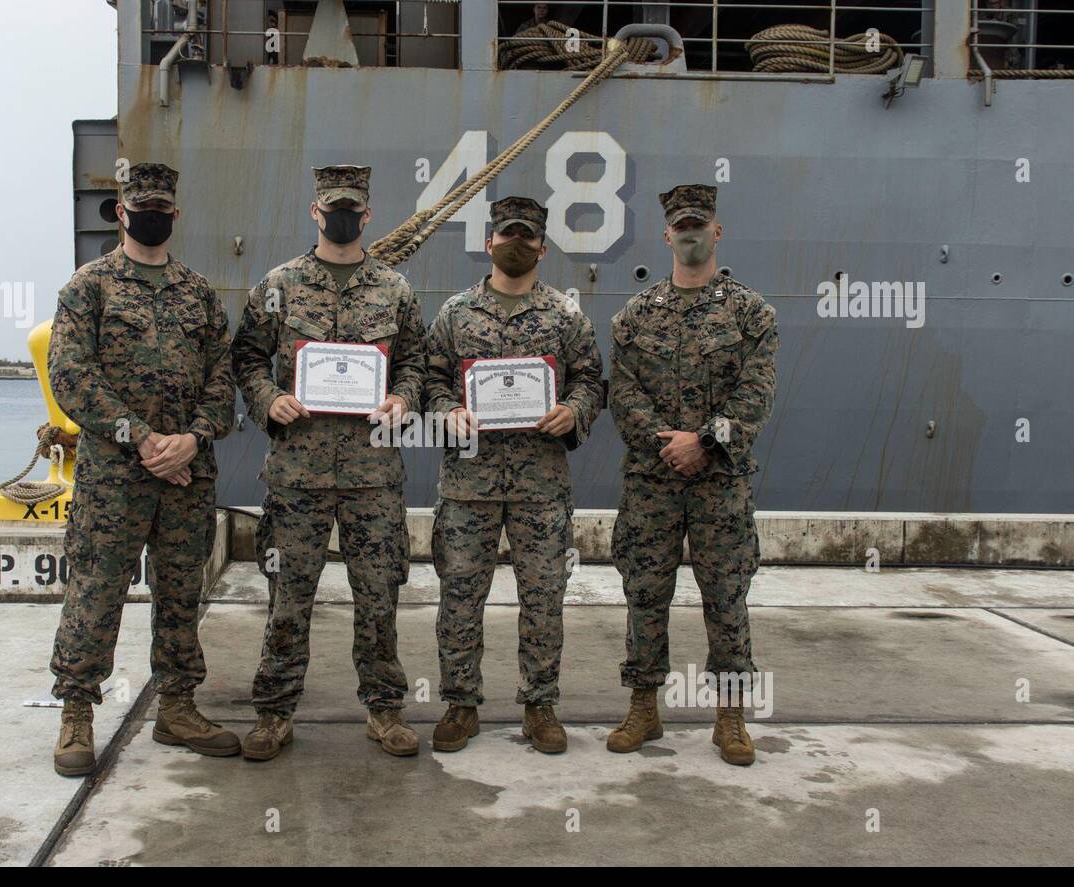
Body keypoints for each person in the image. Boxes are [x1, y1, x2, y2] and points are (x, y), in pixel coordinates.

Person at [230, 164, 427, 760]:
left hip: (373, 477)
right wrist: (269, 399)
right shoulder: (279, 285)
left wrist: (403, 398)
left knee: (378, 597)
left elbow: (417, 363)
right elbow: (245, 358)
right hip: (298, 474)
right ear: (315, 213)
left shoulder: (395, 290)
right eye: (331, 207)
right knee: (289, 597)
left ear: (367, 217)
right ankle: (274, 712)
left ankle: (385, 710)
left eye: (352, 209)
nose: (341, 217)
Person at [48, 162, 239, 776]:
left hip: (187, 474)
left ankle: (177, 706)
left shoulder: (199, 293)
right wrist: (145, 440)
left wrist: (192, 437)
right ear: (122, 212)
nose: (151, 214)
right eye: (141, 205)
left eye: (162, 206)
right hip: (114, 478)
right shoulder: (90, 287)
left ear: (174, 215)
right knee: (96, 591)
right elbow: (73, 378)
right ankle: (77, 712)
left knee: (181, 592)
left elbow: (223, 381)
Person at [606, 184, 778, 766]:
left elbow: (756, 394)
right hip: (652, 483)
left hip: (720, 485)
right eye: (681, 225)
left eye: (699, 223)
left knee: (727, 598)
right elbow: (623, 393)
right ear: (666, 236)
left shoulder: (751, 313)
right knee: (645, 595)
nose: (690, 233)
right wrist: (670, 446)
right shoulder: (633, 316)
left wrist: (704, 443)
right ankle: (643, 708)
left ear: (717, 231)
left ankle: (729, 718)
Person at [425, 196, 603, 754]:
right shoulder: (455, 314)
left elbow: (593, 381)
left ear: (543, 248)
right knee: (460, 595)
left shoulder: (566, 315)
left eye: (528, 238)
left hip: (540, 486)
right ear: (489, 242)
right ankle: (460, 704)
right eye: (508, 235)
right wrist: (444, 411)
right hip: (468, 486)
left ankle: (540, 705)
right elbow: (427, 380)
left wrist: (575, 410)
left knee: (544, 597)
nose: (517, 245)